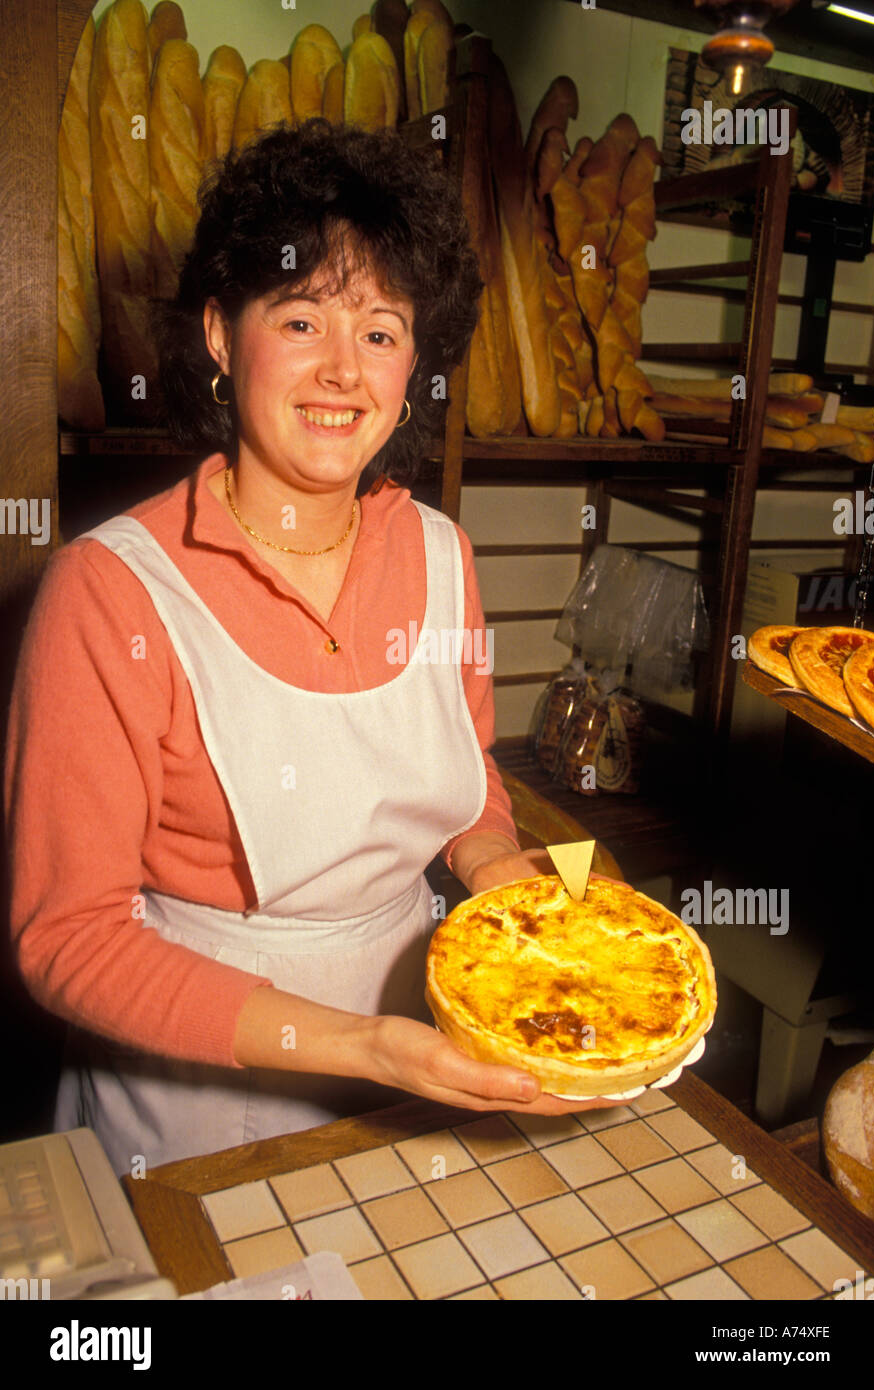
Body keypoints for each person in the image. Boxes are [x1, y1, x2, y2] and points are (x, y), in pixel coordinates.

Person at [4, 120, 618, 1178]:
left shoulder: (439, 554)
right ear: (216, 331)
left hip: (436, 1040)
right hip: (200, 1109)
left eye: (382, 332)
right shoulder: (108, 593)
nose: (344, 371)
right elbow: (69, 940)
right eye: (302, 320)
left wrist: (507, 879)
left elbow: (464, 784)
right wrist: (363, 1046)